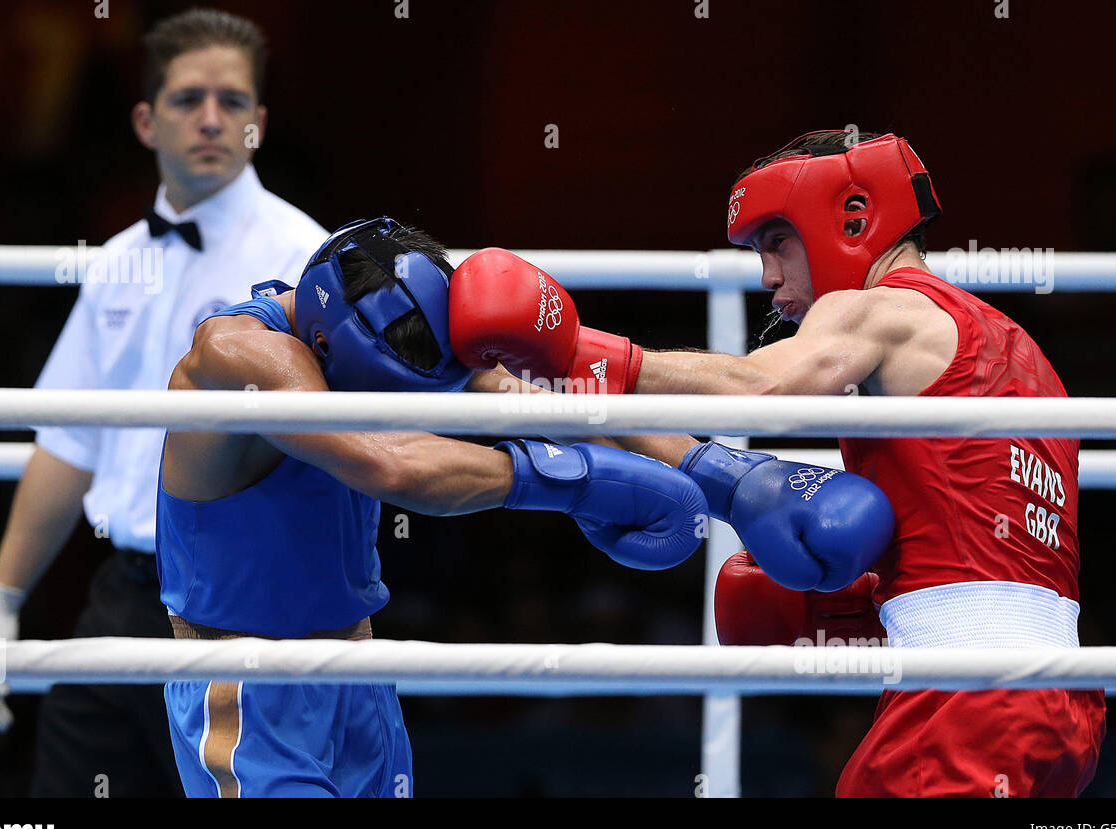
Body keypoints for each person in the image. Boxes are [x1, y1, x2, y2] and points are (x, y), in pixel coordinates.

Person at [447, 130, 1107, 798]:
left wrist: (580, 355)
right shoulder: (1023, 355)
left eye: (777, 242)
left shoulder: (883, 308)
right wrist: (538, 394)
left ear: (853, 217)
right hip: (1063, 707)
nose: (767, 278)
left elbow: (759, 388)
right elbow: (980, 539)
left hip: (963, 702)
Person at [156, 217, 709, 797]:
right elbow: (388, 464)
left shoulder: (401, 333)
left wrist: (720, 483)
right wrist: (572, 483)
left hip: (358, 668)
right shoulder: (237, 357)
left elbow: (551, 407)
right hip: (249, 685)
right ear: (324, 347)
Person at [0, 9, 327, 796]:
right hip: (121, 596)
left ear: (259, 124)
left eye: (232, 102)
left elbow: (336, 453)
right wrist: (1, 602)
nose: (210, 118)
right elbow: (68, 442)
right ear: (145, 120)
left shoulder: (305, 261)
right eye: (188, 98)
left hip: (243, 602)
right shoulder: (117, 262)